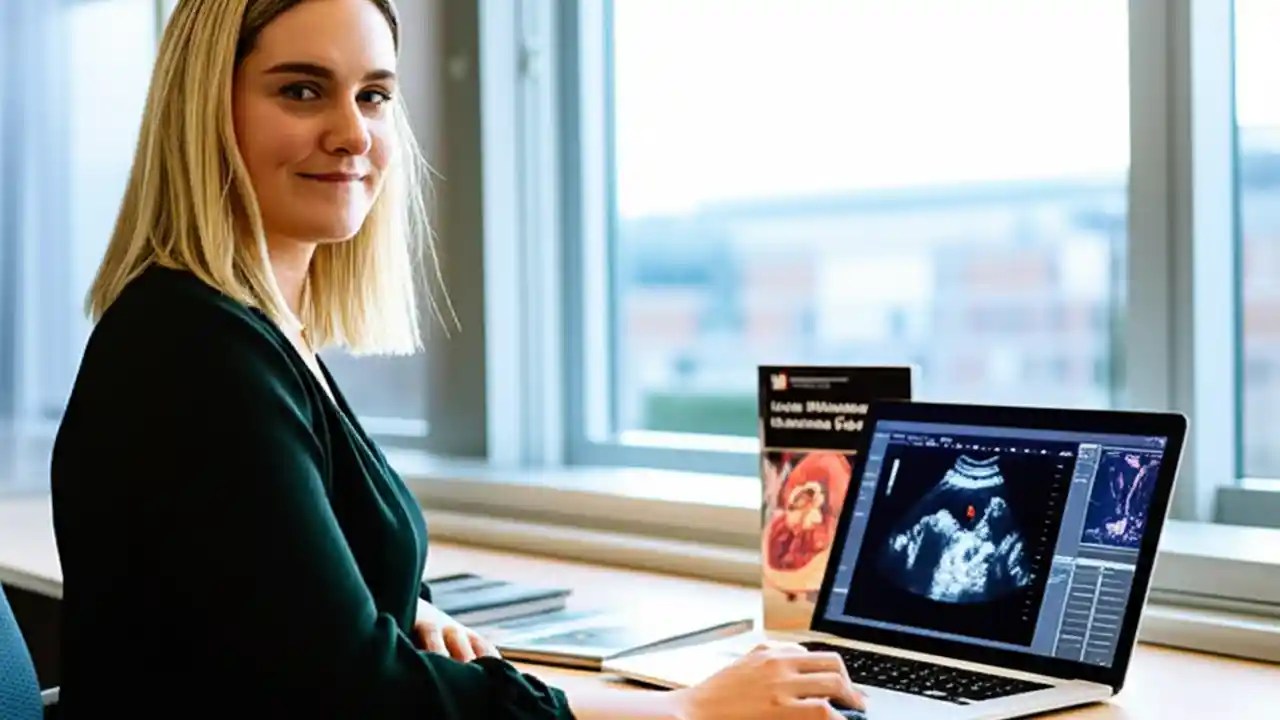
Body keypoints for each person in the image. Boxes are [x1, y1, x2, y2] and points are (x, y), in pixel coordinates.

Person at [49, 0, 868, 718]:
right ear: (205, 110)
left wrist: (404, 610)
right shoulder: (196, 352)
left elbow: (268, 582)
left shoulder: (257, 332)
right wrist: (686, 711)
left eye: (373, 95)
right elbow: (356, 694)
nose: (353, 133)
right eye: (301, 90)